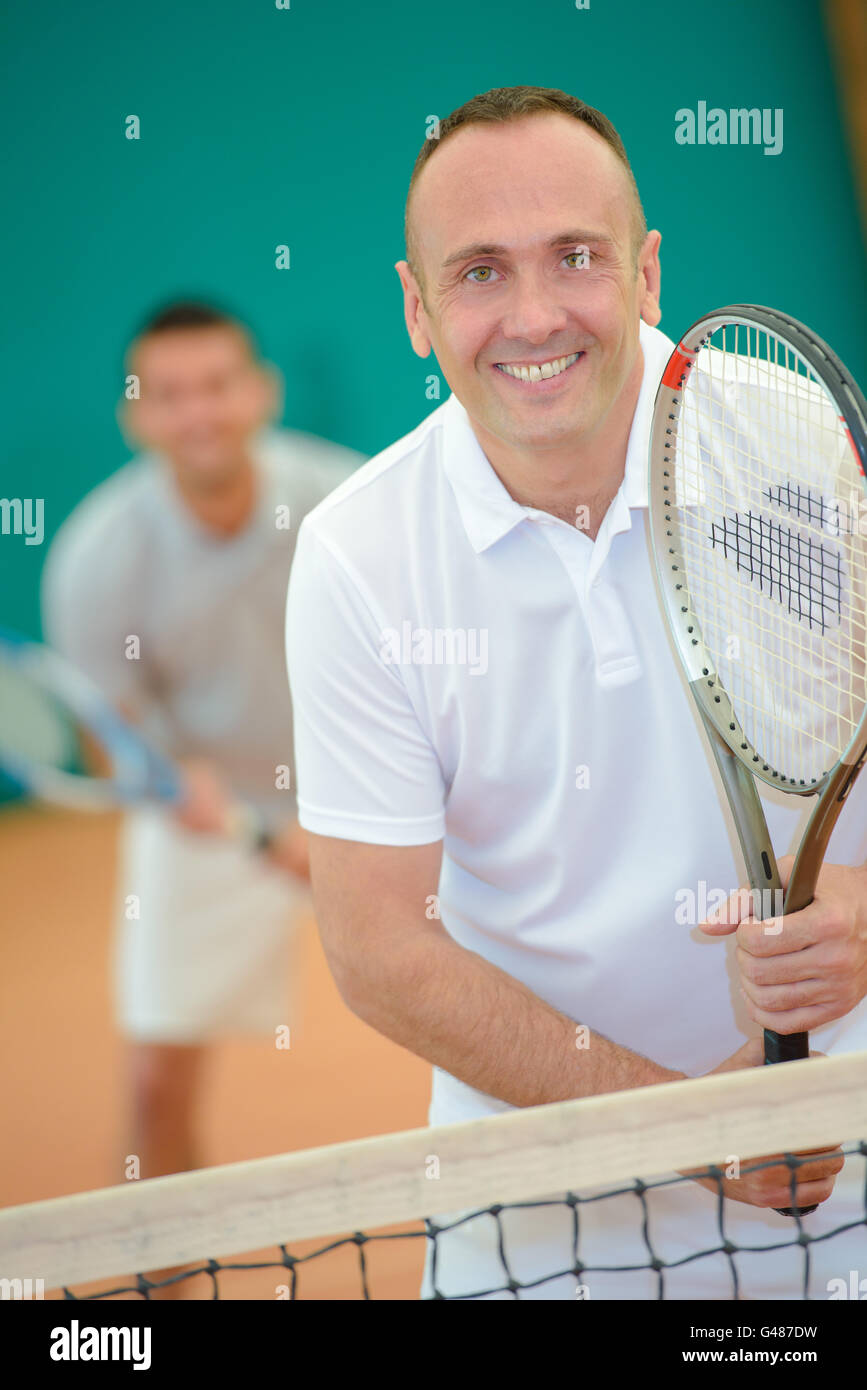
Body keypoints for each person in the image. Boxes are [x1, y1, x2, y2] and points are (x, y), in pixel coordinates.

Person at [286, 87, 867, 1300]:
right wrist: (680, 1126)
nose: (536, 314)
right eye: (481, 271)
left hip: (841, 1154)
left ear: (647, 273)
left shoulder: (792, 437)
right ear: (416, 307)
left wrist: (861, 903)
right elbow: (381, 946)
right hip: (544, 1217)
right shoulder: (357, 555)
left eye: (577, 257)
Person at [42, 300, 364, 1198]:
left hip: (369, 787)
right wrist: (206, 802)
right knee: (154, 1081)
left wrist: (343, 825)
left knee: (512, 1009)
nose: (198, 413)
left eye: (218, 386)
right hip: (204, 813)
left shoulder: (350, 500)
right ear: (135, 415)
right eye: (169, 394)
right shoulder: (95, 558)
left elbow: (424, 674)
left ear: (261, 392)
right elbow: (118, 746)